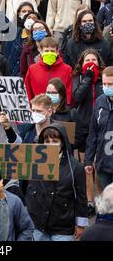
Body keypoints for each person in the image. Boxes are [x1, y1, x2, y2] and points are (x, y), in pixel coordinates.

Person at [26, 124, 88, 241]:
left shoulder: (75, 167)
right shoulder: (34, 163)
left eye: (55, 141)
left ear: (62, 142)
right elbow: (27, 189)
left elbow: (80, 197)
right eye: (47, 141)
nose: (50, 144)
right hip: (38, 226)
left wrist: (80, 225)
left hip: (62, 227)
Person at [73, 49, 104, 215]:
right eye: (87, 60)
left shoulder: (103, 80)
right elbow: (76, 98)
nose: (91, 62)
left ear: (99, 62)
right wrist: (87, 78)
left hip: (102, 128)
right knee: (87, 167)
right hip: (84, 128)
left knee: (99, 166)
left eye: (94, 59)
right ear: (82, 63)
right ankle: (90, 201)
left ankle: (102, 200)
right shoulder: (78, 78)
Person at [85, 66, 113, 190]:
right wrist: (88, 160)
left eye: (111, 84)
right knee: (107, 202)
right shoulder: (99, 102)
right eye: (105, 84)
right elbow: (93, 134)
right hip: (103, 163)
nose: (107, 87)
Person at [25, 37, 73, 102]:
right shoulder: (32, 69)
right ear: (41, 51)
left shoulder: (67, 69)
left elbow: (69, 93)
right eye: (46, 51)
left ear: (57, 52)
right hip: (39, 108)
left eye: (52, 51)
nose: (49, 53)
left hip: (60, 109)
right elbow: (28, 91)